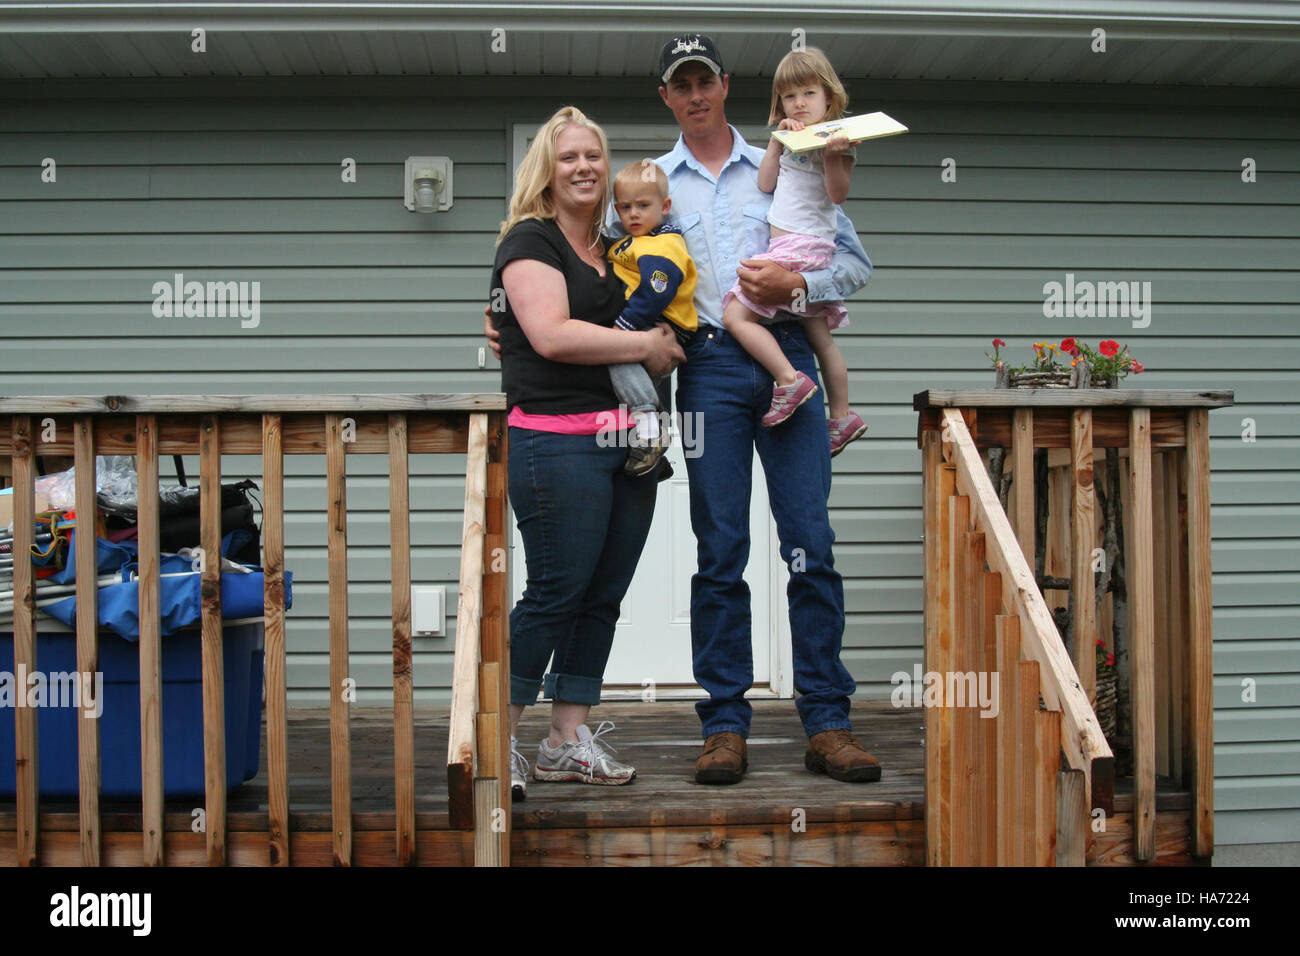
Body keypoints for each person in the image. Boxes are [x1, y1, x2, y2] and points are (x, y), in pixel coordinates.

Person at [647, 34, 881, 785]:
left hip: (792, 360)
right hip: (707, 368)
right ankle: (723, 725)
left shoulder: (791, 158)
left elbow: (854, 263)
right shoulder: (656, 186)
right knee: (719, 549)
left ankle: (828, 722)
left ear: (724, 84)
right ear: (667, 96)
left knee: (810, 539)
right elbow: (608, 268)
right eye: (679, 85)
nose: (694, 95)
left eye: (704, 80)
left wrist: (799, 291)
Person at [489, 106, 685, 799]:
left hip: (625, 445)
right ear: (547, 168)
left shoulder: (622, 247)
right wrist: (646, 346)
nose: (584, 168)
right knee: (553, 593)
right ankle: (494, 741)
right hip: (554, 444)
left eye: (594, 156)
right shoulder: (529, 243)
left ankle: (565, 739)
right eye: (569, 156)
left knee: (602, 596)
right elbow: (551, 335)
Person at [720, 47, 868, 456]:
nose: (799, 104)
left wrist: (836, 157)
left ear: (829, 98)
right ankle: (841, 416)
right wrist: (776, 145)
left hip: (798, 249)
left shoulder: (835, 142)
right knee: (821, 338)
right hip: (798, 248)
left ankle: (788, 380)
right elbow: (766, 184)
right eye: (789, 96)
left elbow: (837, 196)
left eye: (808, 94)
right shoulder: (788, 141)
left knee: (735, 315)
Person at [605, 159, 700, 475]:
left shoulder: (664, 243)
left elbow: (658, 287)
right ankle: (655, 456)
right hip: (647, 317)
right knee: (638, 377)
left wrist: (625, 325)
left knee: (617, 355)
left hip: (663, 319)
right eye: (625, 207)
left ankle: (649, 427)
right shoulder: (631, 242)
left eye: (643, 205)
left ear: (665, 206)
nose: (633, 214)